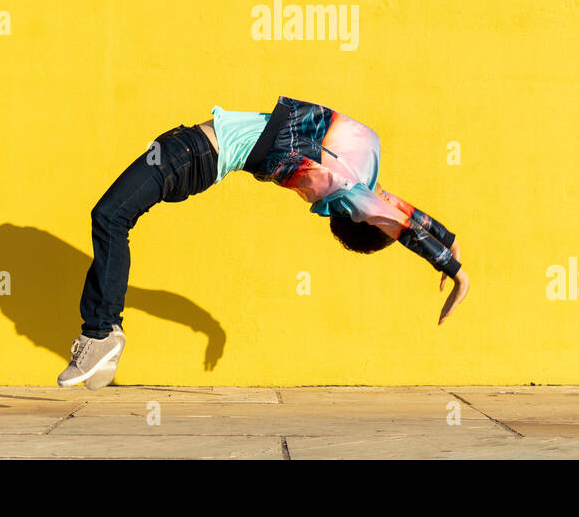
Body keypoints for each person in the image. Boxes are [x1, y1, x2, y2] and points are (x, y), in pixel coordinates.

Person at [57, 96, 468, 388]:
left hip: (191, 154)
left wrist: (454, 271)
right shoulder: (359, 175)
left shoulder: (348, 184)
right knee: (112, 217)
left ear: (359, 216)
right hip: (189, 153)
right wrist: (448, 242)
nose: (305, 195)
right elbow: (403, 215)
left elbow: (399, 223)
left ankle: (100, 335)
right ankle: (103, 337)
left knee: (110, 216)